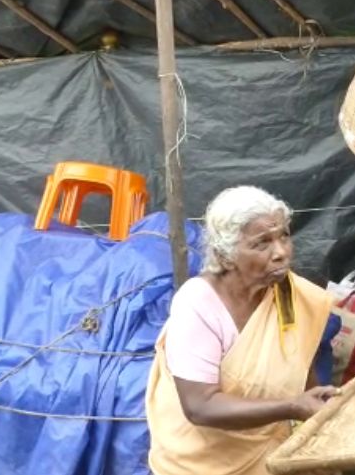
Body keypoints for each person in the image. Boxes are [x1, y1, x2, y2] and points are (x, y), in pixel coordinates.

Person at [145, 186, 338, 475]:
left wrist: (318, 428)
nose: (281, 253)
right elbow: (200, 406)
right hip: (201, 466)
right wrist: (293, 407)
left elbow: (298, 361)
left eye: (283, 236)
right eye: (262, 243)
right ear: (225, 256)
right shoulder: (198, 305)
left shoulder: (286, 291)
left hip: (271, 458)